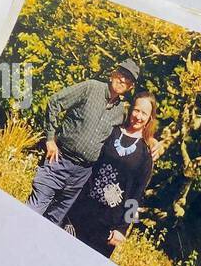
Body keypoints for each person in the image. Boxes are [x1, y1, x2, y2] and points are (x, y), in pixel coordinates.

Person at [26, 60, 139, 224]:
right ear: (113, 74)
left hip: (82, 175)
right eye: (121, 74)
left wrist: (151, 140)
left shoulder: (121, 111)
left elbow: (133, 129)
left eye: (128, 79)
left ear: (130, 87)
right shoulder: (90, 88)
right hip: (59, 161)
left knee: (53, 222)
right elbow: (55, 102)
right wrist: (50, 139)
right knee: (33, 210)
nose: (123, 80)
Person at [65, 91, 157, 257]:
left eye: (144, 113)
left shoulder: (146, 154)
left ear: (150, 118)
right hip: (80, 210)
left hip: (107, 227)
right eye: (137, 110)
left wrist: (122, 229)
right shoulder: (112, 132)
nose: (139, 116)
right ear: (131, 110)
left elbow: (137, 195)